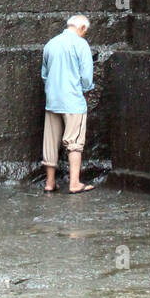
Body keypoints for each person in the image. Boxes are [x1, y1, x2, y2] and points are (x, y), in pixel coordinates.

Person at [41, 15, 95, 193]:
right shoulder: (81, 45)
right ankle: (74, 183)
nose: (85, 33)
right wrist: (86, 91)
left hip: (52, 101)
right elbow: (86, 76)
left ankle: (49, 183)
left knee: (50, 142)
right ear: (81, 28)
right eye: (85, 30)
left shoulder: (51, 44)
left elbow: (45, 74)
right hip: (73, 100)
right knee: (74, 142)